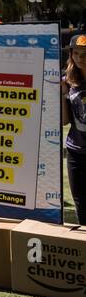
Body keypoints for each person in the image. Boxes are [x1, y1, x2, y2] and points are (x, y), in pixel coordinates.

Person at [63, 34, 86, 218]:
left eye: (84, 53)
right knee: (81, 205)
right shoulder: (68, 81)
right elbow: (64, 120)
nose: (79, 57)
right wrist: (62, 95)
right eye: (76, 53)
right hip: (75, 152)